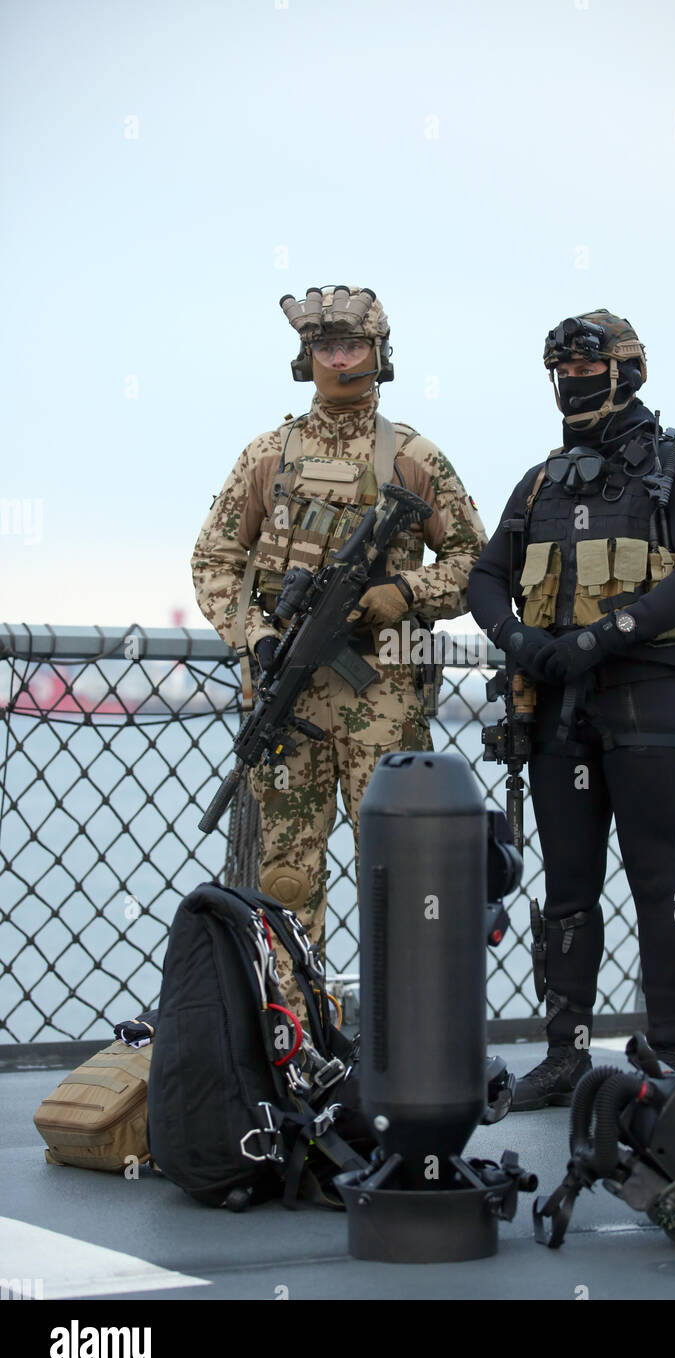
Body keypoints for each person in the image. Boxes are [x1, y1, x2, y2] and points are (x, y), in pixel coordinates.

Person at [192, 285, 487, 1018]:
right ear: (307, 356)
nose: (340, 358)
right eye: (326, 346)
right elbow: (215, 561)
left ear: (379, 355)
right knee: (287, 876)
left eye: (353, 345)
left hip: (383, 699)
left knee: (400, 871)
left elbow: (478, 564)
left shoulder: (413, 456)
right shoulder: (268, 456)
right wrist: (256, 634)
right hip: (287, 696)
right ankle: (295, 1030)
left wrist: (406, 595)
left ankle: (410, 1033)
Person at [467, 310, 675, 1108]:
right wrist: (519, 638)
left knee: (661, 882)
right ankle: (565, 1053)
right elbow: (484, 578)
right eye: (565, 372)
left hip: (649, 703)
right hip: (557, 710)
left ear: (626, 372)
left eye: (588, 369)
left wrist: (601, 639)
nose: (575, 384)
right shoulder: (541, 482)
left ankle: (670, 1058)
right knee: (570, 891)